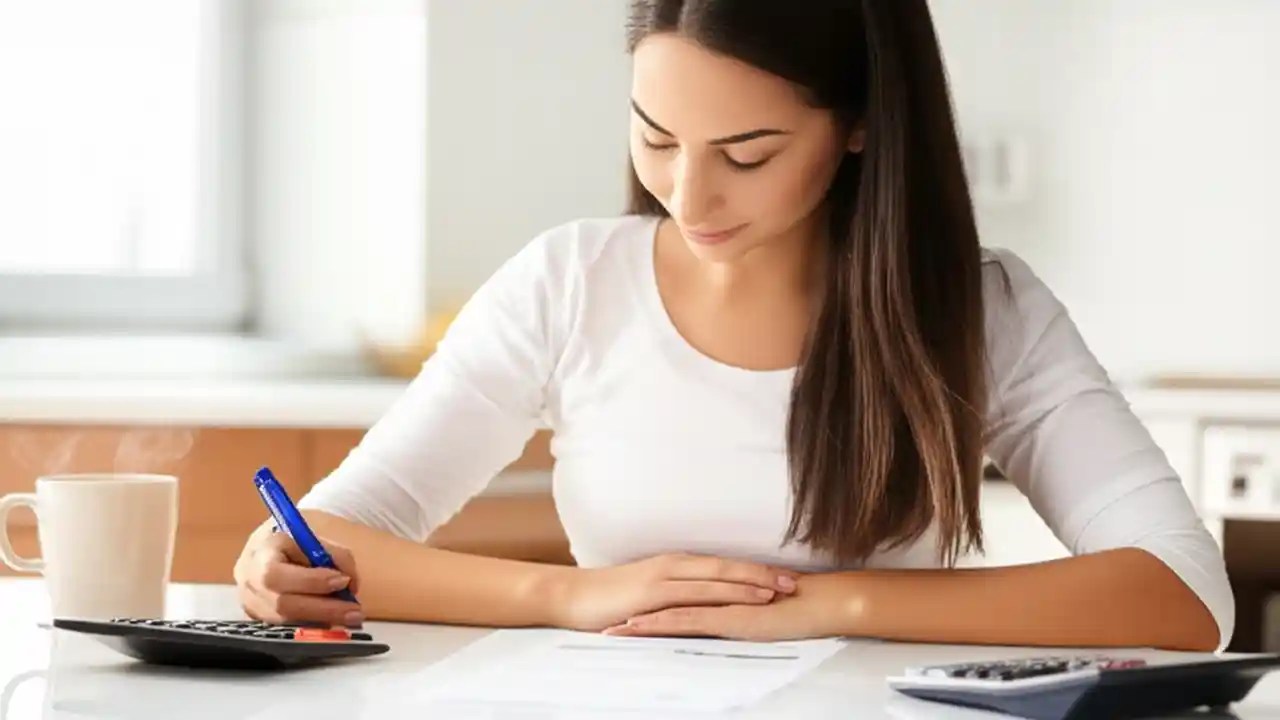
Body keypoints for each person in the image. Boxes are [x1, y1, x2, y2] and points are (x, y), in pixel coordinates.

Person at [234, 0, 1232, 652]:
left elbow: (1184, 597)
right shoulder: (571, 281)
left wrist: (825, 605)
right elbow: (324, 538)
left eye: (746, 153)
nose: (687, 193)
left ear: (860, 124)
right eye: (656, 138)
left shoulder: (979, 310)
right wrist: (575, 595)